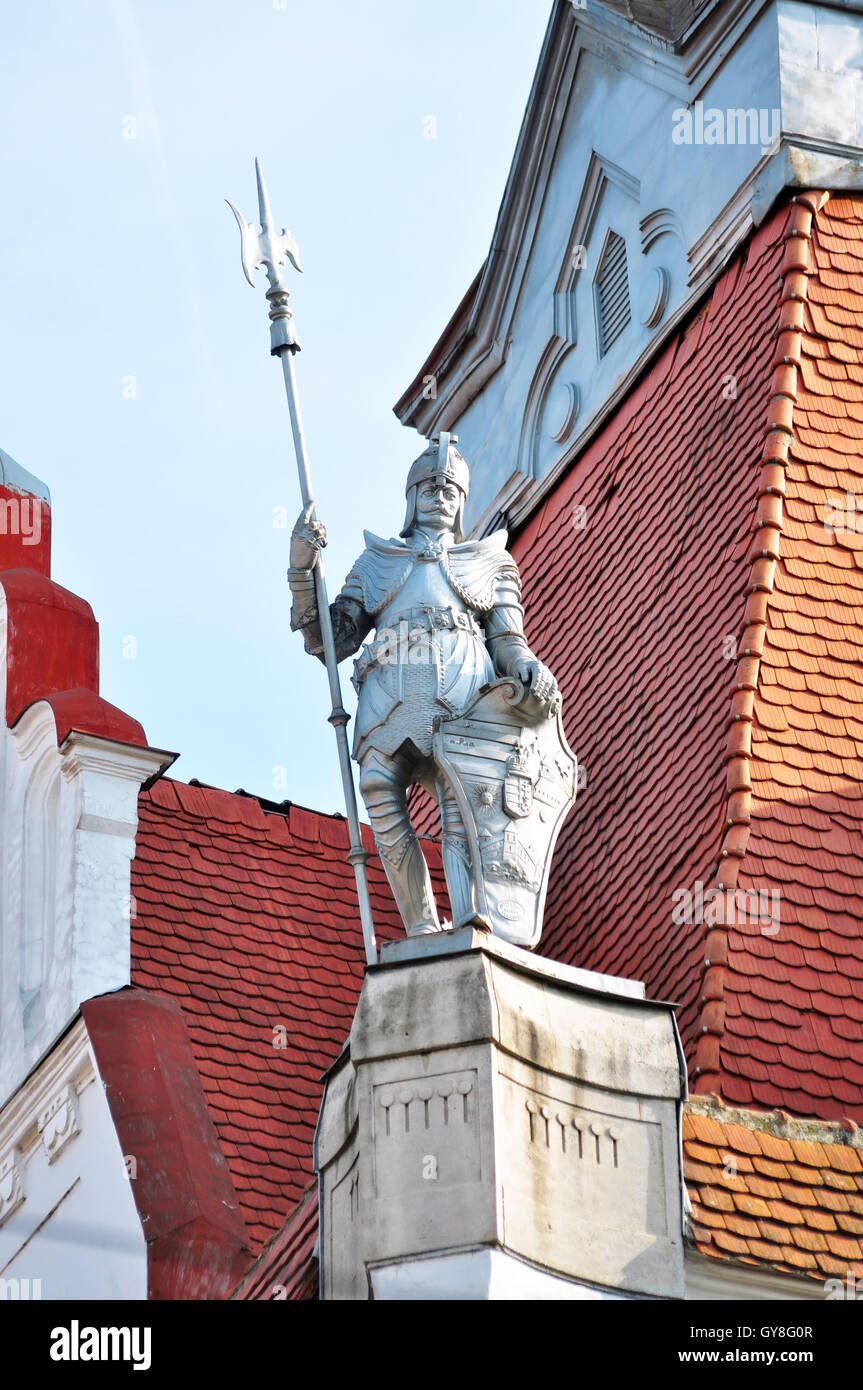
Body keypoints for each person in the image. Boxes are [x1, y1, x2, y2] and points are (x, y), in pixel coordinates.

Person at [288, 434, 558, 936]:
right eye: (431, 487)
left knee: (463, 797)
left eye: (452, 490)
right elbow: (331, 639)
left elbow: (506, 637)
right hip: (389, 692)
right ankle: (419, 923)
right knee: (377, 786)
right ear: (412, 497)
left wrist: (526, 665)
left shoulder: (490, 561)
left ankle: (472, 917)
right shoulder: (378, 561)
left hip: (463, 689)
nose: (441, 496)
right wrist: (303, 570)